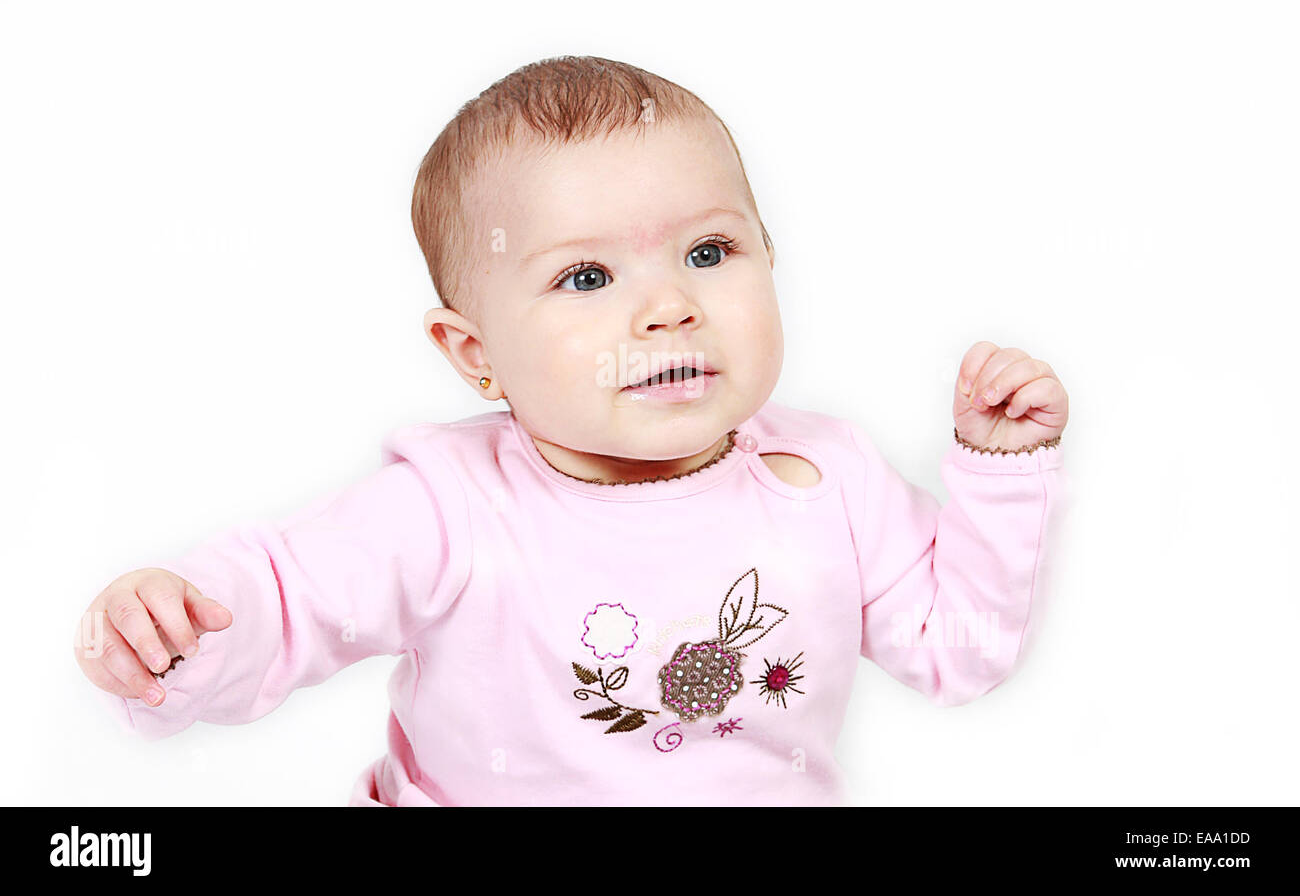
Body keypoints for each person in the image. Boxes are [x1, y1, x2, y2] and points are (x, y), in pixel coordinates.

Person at [73, 55, 1070, 805]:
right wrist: (177, 632)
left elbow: (961, 647)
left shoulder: (828, 477)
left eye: (710, 250)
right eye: (586, 277)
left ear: (771, 256)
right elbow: (288, 594)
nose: (669, 305)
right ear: (476, 354)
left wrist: (1000, 468)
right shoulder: (450, 505)